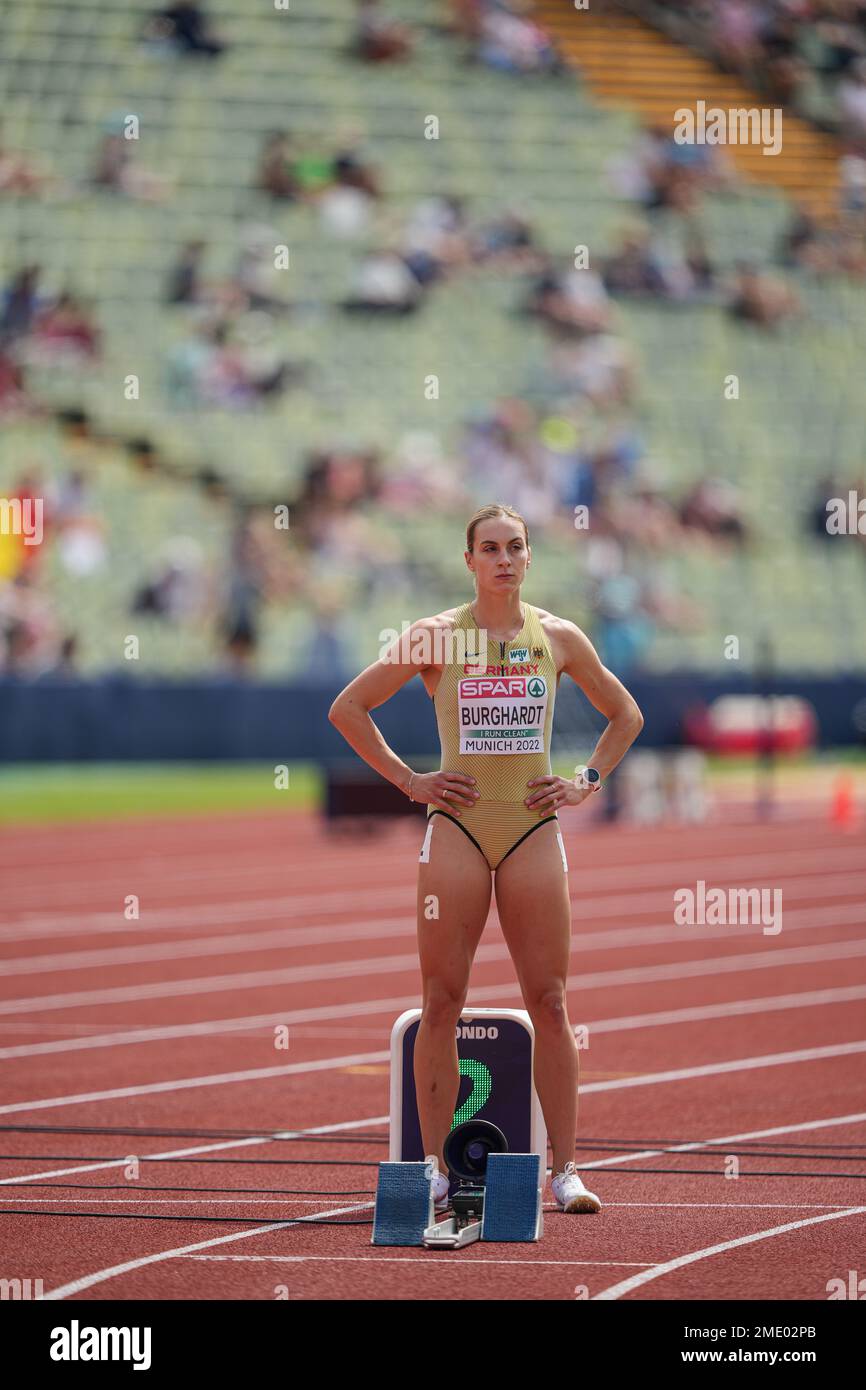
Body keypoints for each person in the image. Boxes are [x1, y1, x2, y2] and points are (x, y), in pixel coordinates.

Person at [328, 503, 644, 1214]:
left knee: (553, 1003)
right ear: (468, 560)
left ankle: (565, 1172)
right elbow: (349, 708)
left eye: (515, 547)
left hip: (533, 832)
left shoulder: (558, 637)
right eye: (490, 548)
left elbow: (626, 715)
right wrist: (410, 780)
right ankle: (436, 1169)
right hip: (458, 832)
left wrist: (585, 782)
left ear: (530, 558)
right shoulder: (436, 638)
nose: (504, 559)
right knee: (441, 1002)